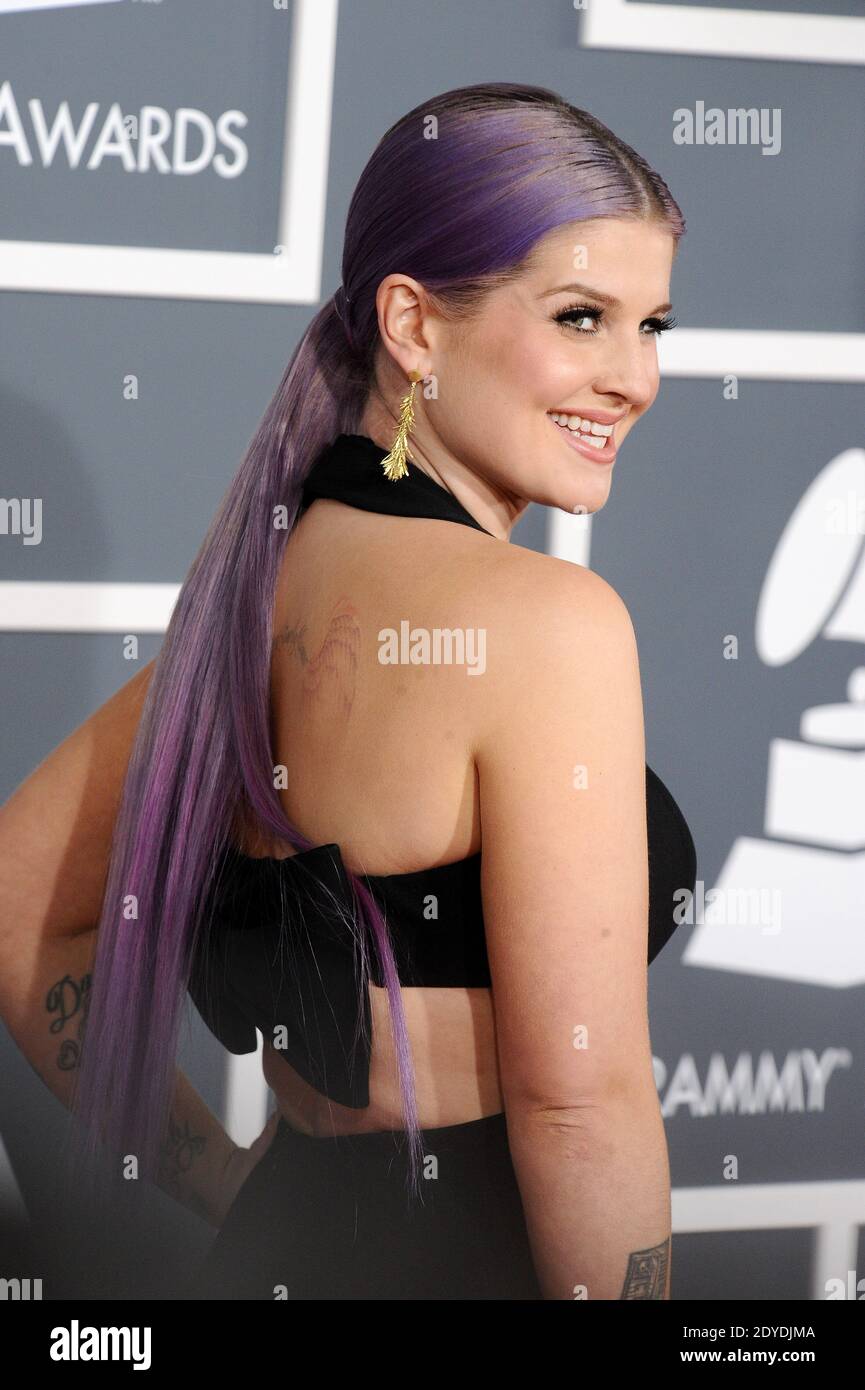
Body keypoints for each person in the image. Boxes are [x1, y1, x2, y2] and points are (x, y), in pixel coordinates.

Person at [0, 82, 695, 1300]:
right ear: (414, 325)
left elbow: (19, 913)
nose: (632, 378)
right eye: (582, 317)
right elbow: (579, 1107)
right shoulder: (550, 624)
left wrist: (230, 1183)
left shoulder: (250, 606)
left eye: (654, 327)